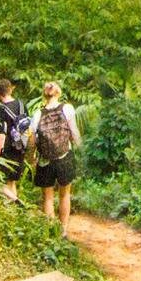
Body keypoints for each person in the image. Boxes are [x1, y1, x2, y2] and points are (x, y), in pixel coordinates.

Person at [32, 81, 83, 237]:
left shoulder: (38, 114)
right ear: (58, 93)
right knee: (64, 195)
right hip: (64, 156)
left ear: (44, 95)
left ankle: (51, 232)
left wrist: (32, 156)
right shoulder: (67, 108)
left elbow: (32, 139)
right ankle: (63, 231)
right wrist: (81, 148)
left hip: (45, 160)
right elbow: (74, 132)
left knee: (47, 198)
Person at [0, 78, 29, 203]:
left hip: (7, 150)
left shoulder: (0, 109)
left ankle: (15, 200)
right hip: (20, 148)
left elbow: (1, 135)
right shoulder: (21, 105)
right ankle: (14, 209)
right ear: (10, 90)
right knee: (11, 182)